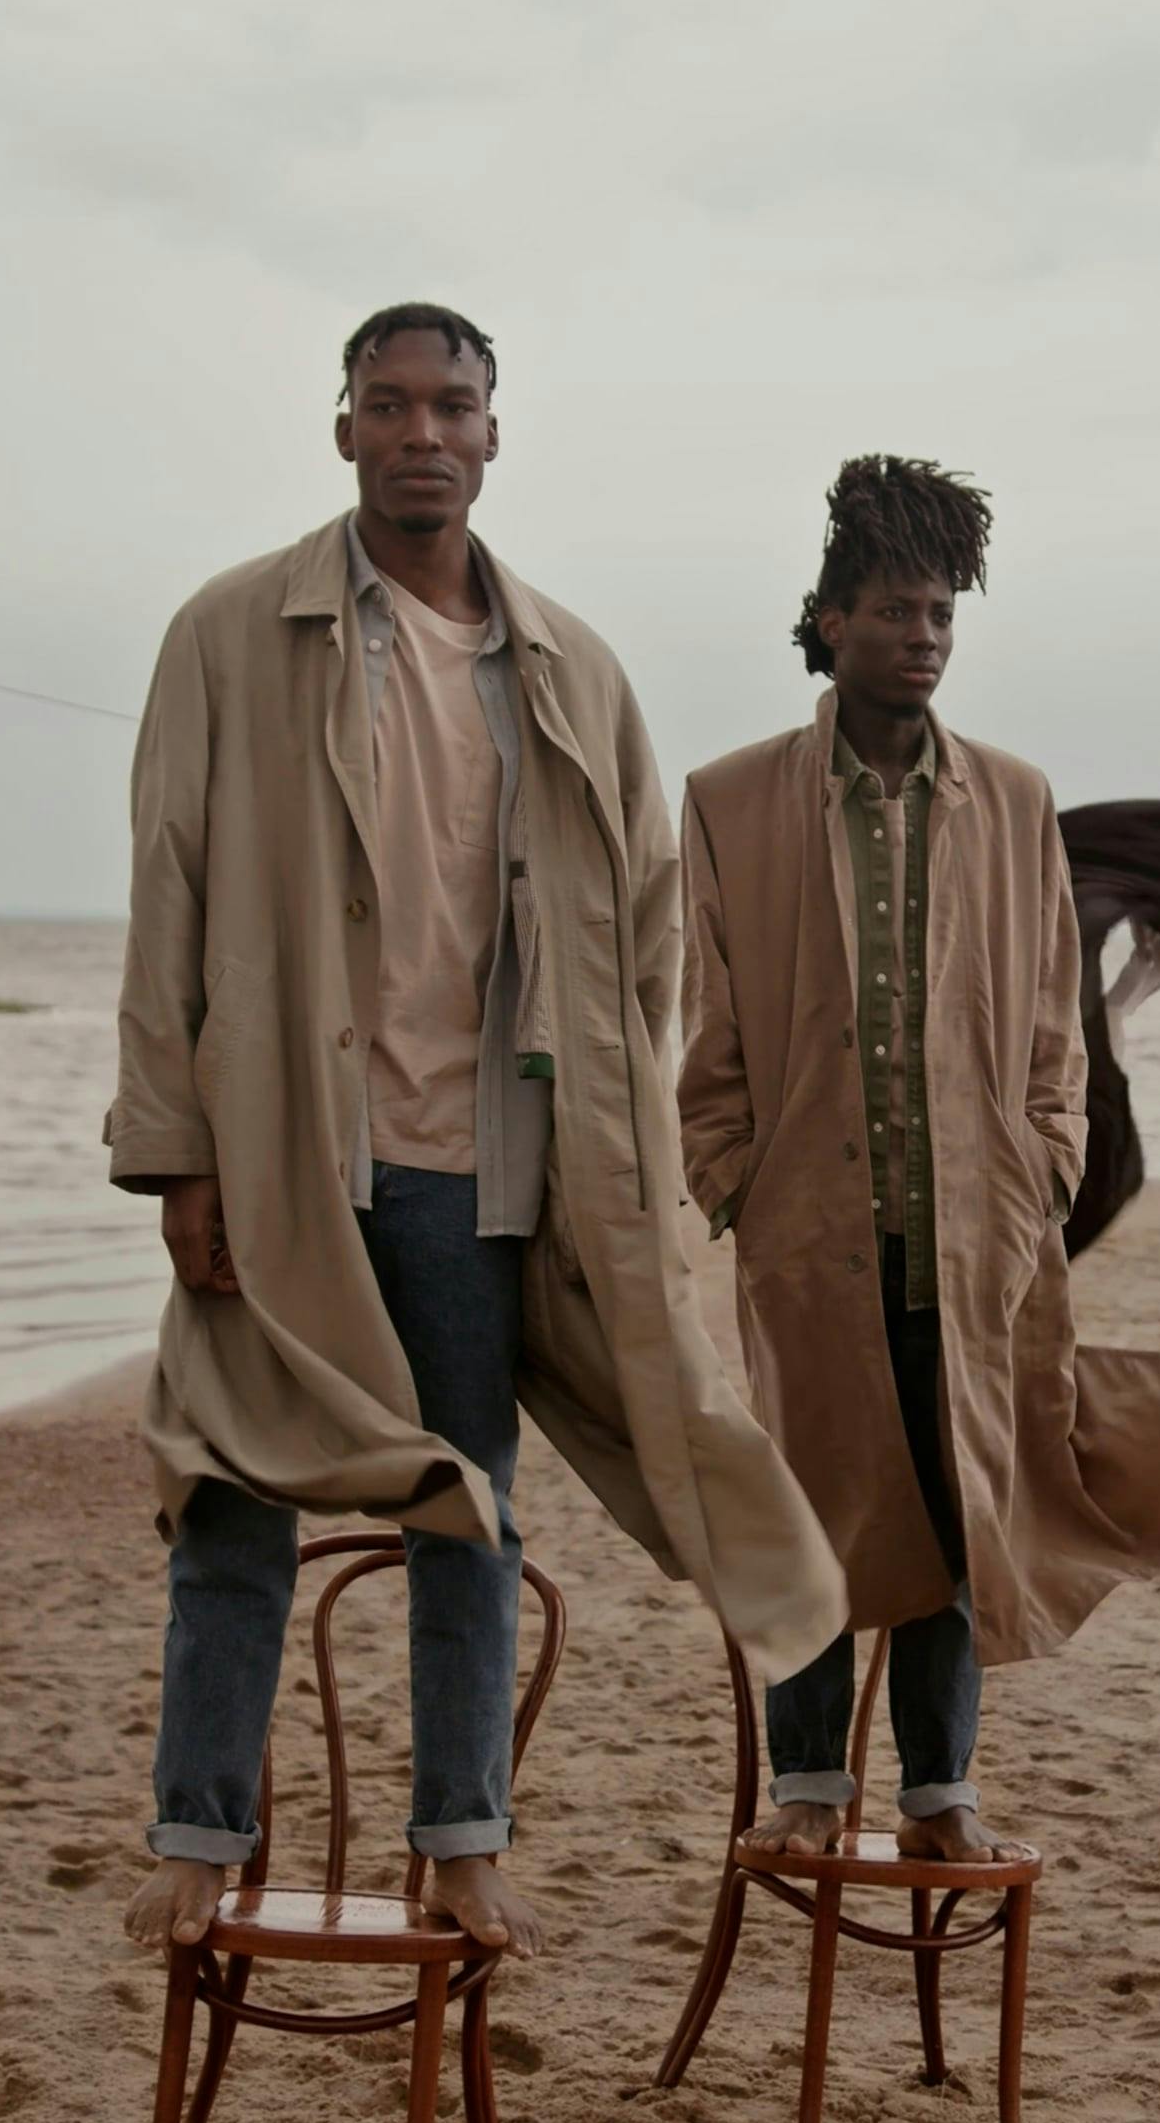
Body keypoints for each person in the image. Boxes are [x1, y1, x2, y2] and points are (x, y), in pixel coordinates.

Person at [114, 301, 843, 1967]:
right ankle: (198, 1833)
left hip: (483, 1169)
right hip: (289, 1147)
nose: (421, 432)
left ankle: (460, 1843)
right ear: (345, 427)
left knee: (473, 1511)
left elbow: (642, 935)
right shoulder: (232, 633)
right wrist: (179, 1154)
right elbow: (170, 896)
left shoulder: (574, 670)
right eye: (389, 405)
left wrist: (617, 1156)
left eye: (452, 405)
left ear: (496, 434)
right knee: (229, 1486)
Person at [678, 454, 1160, 1871]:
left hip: (974, 1227)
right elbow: (708, 1010)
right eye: (896, 611)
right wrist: (728, 1170)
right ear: (831, 621)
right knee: (808, 1505)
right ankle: (804, 1785)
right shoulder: (732, 799)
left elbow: (1054, 1007)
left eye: (941, 616)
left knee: (959, 1500)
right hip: (807, 1228)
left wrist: (1044, 1160)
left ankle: (938, 1794)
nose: (922, 637)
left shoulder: (1013, 796)